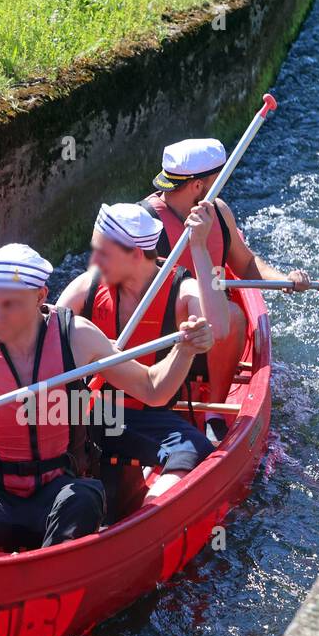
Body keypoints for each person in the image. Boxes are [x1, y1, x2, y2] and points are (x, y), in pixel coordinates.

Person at [0, 243, 214, 556]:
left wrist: (184, 351)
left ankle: (51, 580)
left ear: (41, 297)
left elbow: (153, 390)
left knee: (85, 497)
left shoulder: (77, 337)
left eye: (11, 305)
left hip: (59, 496)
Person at [56, 203, 225, 503]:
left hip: (149, 416)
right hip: (91, 413)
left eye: (103, 253)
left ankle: (152, 510)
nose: (94, 261)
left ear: (135, 254)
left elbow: (220, 326)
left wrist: (199, 246)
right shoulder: (85, 289)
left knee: (192, 449)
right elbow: (44, 342)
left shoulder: (181, 290)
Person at [141, 138, 312, 419]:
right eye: (218, 179)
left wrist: (284, 280)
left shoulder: (218, 212)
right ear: (198, 186)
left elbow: (245, 263)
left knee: (230, 315)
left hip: (212, 332)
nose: (222, 184)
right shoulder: (144, 224)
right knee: (225, 314)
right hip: (157, 336)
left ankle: (214, 412)